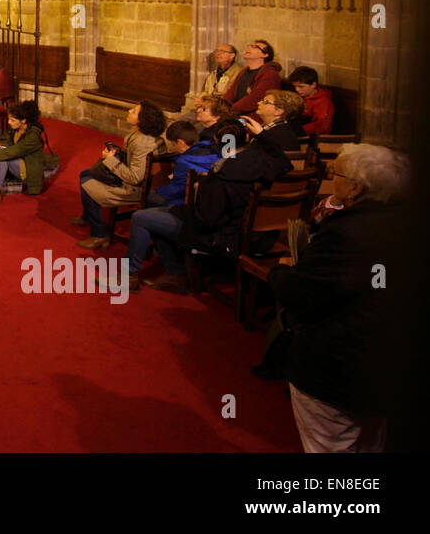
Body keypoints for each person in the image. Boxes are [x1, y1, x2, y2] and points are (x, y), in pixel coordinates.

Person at [267, 143, 411, 452]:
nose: (332, 179)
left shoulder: (348, 233)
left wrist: (280, 273)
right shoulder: (404, 221)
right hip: (389, 359)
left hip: (339, 363)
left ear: (356, 187)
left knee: (329, 446)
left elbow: (301, 294)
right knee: (371, 441)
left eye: (337, 174)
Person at [142, 92, 303, 294]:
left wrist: (194, 195)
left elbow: (208, 216)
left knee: (158, 209)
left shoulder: (231, 162)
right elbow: (281, 164)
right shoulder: (261, 153)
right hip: (257, 220)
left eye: (265, 101)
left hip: (231, 228)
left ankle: (175, 269)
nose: (258, 102)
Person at [125, 119, 249, 294]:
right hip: (236, 225)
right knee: (155, 214)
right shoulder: (252, 162)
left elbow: (205, 210)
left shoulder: (222, 169)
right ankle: (175, 271)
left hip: (214, 230)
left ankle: (129, 275)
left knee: (142, 216)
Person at [75, 100, 168, 253]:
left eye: (134, 111)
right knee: (85, 173)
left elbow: (135, 177)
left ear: (142, 119)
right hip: (139, 181)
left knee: (86, 182)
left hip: (138, 189)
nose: (129, 111)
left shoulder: (143, 143)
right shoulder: (140, 135)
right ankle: (88, 216)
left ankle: (100, 234)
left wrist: (110, 160)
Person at [0, 100, 50, 206]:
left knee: (1, 157)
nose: (9, 122)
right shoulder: (16, 129)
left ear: (23, 121)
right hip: (18, 162)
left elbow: (15, 151)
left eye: (12, 120)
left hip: (28, 171)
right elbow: (9, 145)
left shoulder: (33, 137)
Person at [150, 119, 221, 207]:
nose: (174, 148)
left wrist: (159, 190)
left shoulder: (183, 161)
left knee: (151, 197)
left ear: (180, 142)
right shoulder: (212, 149)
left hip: (191, 204)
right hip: (213, 202)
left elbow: (177, 189)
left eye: (173, 144)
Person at [225, 38, 282, 115]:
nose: (249, 48)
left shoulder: (270, 74)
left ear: (265, 55)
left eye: (255, 47)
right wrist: (220, 107)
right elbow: (231, 93)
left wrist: (230, 111)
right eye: (250, 46)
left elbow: (255, 99)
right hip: (235, 113)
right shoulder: (243, 72)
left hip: (254, 116)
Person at [287, 65, 335, 137]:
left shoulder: (323, 101)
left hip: (311, 136)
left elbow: (323, 125)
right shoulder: (300, 96)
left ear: (313, 85)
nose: (297, 90)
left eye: (301, 86)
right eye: (295, 86)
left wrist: (300, 131)